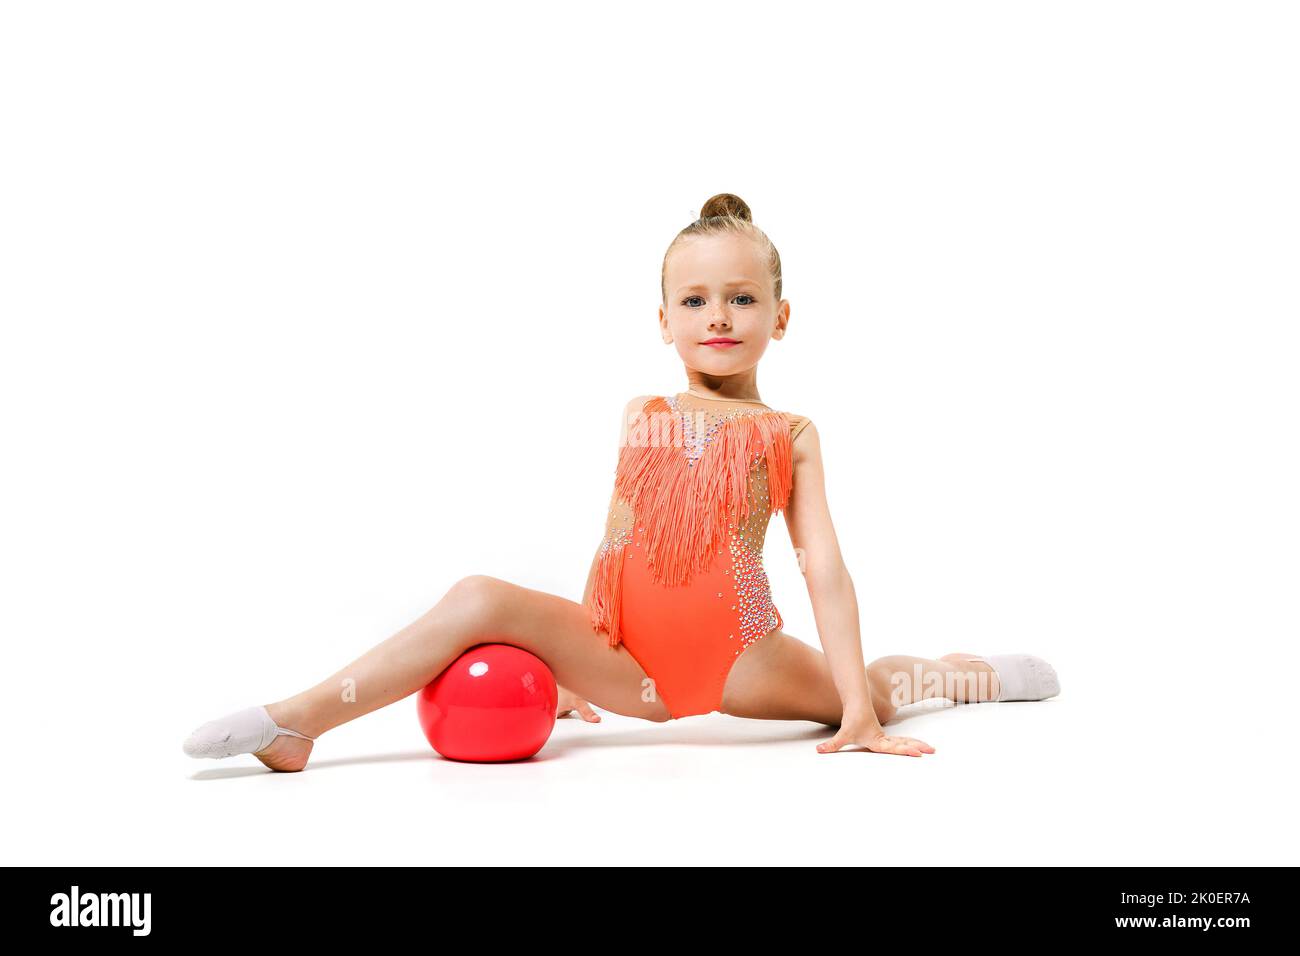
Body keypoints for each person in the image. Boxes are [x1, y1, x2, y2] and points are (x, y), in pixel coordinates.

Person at [182, 192, 1059, 772]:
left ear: (779, 317)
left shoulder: (788, 434)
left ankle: (962, 673)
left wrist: (857, 722)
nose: (719, 315)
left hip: (738, 663)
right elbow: (618, 545)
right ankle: (298, 722)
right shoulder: (644, 411)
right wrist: (571, 668)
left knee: (870, 689)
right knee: (479, 592)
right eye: (696, 300)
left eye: (743, 299)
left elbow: (821, 566)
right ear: (665, 320)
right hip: (628, 667)